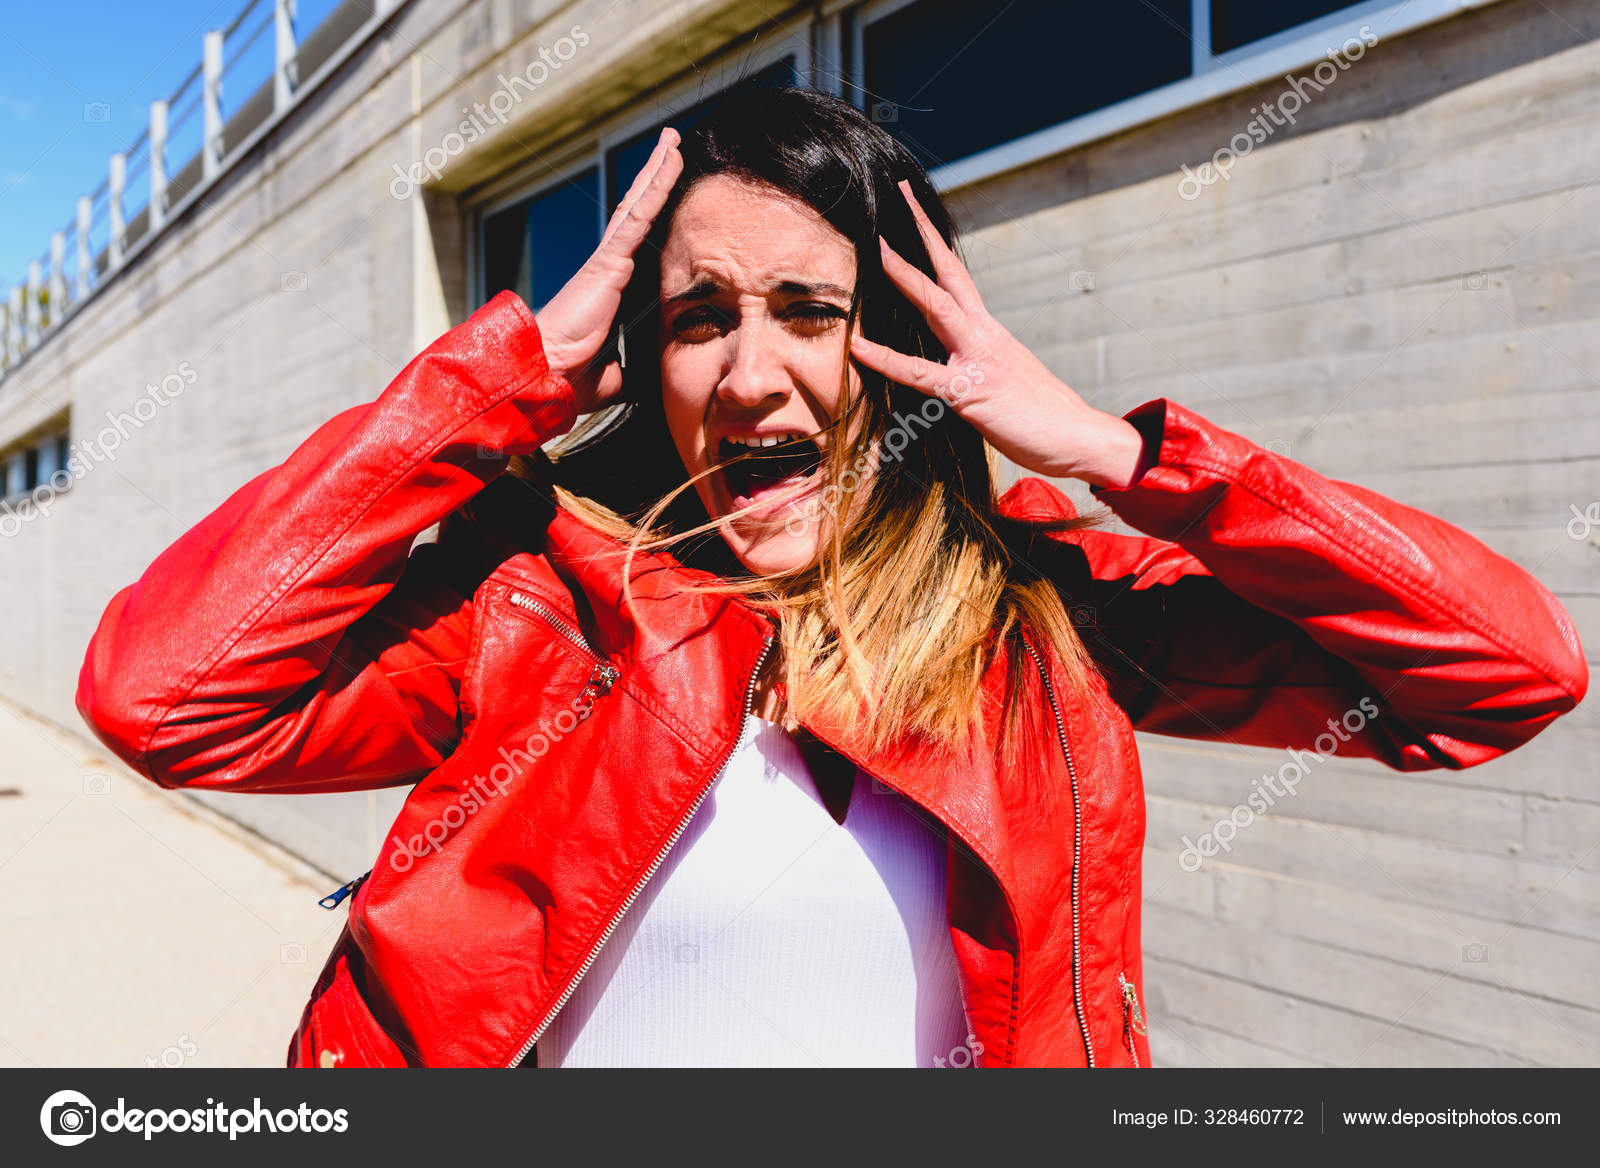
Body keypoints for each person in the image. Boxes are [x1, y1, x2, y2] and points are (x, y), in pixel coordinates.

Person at [77, 87, 1587, 1068]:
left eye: (812, 310)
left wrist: (1117, 457)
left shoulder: (1040, 616)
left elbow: (1503, 673)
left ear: (915, 352)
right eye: (698, 319)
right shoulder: (536, 601)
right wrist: (485, 391)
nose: (752, 376)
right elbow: (168, 699)